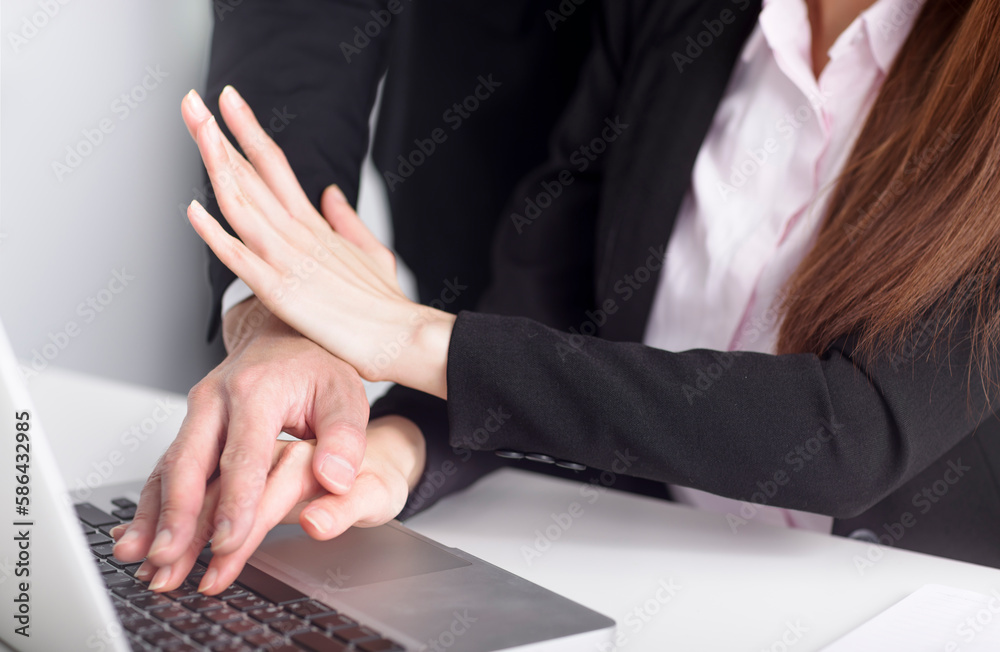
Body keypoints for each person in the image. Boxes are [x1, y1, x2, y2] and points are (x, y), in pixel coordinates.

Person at [115, 0, 1000, 594]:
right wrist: (397, 451)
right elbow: (552, 311)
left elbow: (847, 433)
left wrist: (407, 338)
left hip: (908, 599)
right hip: (648, 564)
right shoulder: (679, 22)